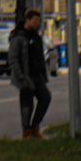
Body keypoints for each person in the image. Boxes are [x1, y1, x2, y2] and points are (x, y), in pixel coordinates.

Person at [9, 10, 52, 139]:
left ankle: (35, 126)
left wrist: (44, 75)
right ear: (28, 19)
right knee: (27, 104)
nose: (37, 23)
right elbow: (13, 59)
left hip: (37, 75)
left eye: (38, 21)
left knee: (45, 98)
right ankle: (26, 131)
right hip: (25, 75)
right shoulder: (19, 37)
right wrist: (20, 76)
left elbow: (40, 57)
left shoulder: (36, 37)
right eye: (35, 20)